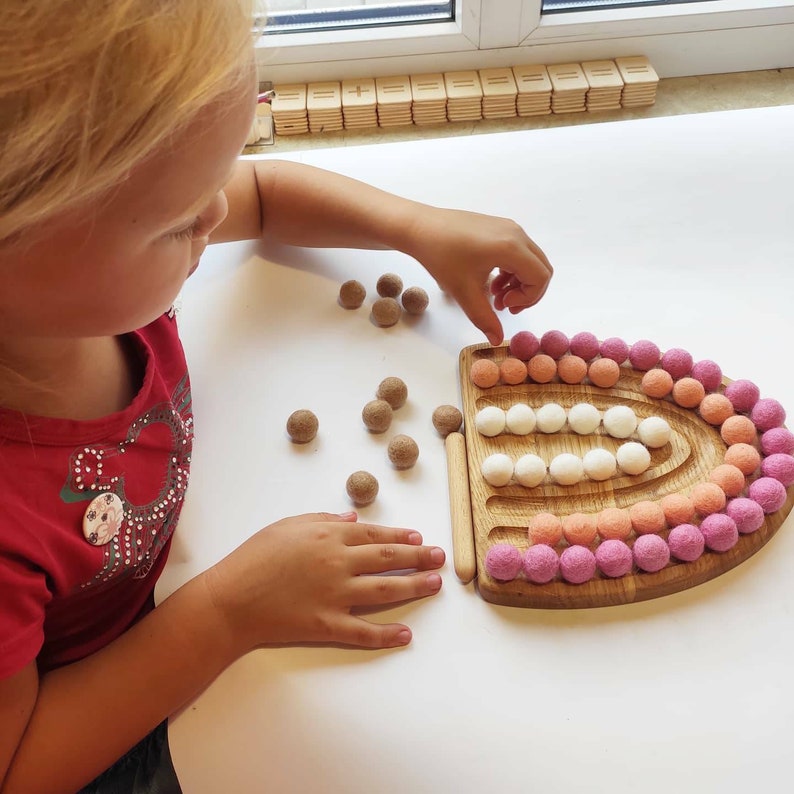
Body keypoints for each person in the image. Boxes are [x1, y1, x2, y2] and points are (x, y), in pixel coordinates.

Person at [0, 2, 553, 792]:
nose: (218, 214)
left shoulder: (61, 283)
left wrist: (416, 225)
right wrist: (226, 613)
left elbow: (256, 194)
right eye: (180, 222)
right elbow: (22, 768)